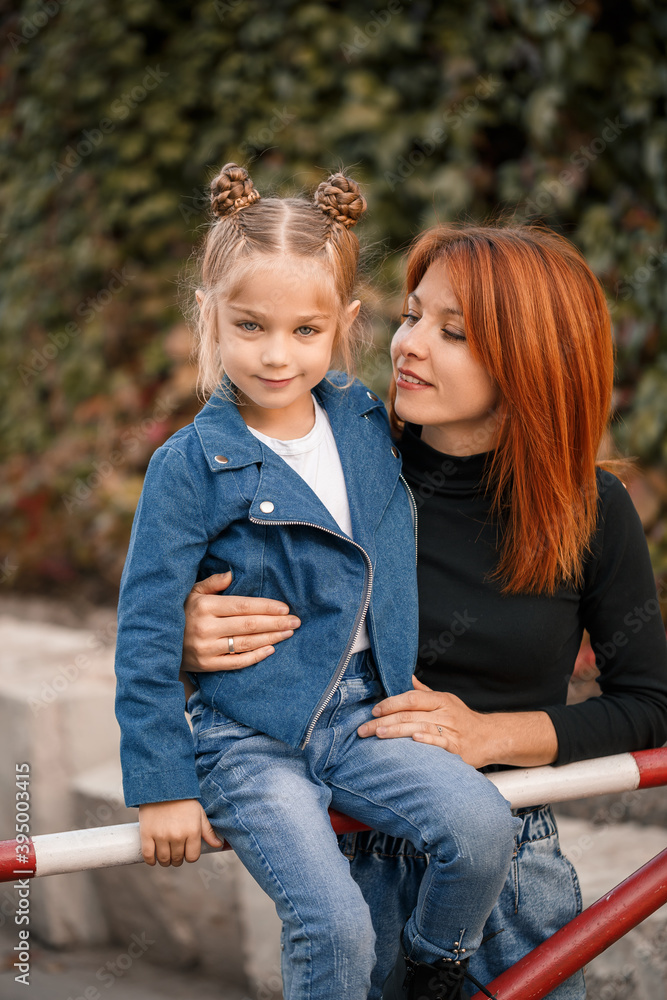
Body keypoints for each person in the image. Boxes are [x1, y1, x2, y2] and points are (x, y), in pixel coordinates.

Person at [181, 221, 667, 1000]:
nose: (407, 344)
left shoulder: (591, 509)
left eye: (453, 332)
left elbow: (649, 705)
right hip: (350, 867)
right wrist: (191, 638)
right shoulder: (337, 471)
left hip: (509, 869)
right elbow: (232, 634)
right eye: (411, 316)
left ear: (532, 359)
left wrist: (487, 736)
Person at [114, 164, 521, 1000]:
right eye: (250, 325)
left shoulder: (366, 421)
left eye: (305, 329)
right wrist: (162, 787)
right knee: (333, 924)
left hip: (367, 714)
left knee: (482, 828)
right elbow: (146, 632)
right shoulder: (188, 466)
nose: (276, 354)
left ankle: (434, 967)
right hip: (246, 736)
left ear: (345, 324)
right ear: (209, 314)